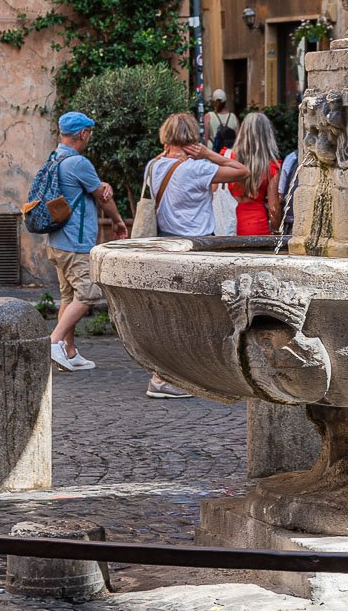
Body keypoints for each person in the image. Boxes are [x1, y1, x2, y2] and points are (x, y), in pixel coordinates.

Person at [144, 111, 249, 398]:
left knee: (171, 311)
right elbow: (241, 171)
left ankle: (168, 374)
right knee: (193, 313)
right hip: (197, 246)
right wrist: (210, 154)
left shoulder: (154, 166)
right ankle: (164, 378)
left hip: (164, 242)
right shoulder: (198, 168)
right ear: (193, 138)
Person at [47, 111, 128, 372]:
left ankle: (69, 353)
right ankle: (53, 342)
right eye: (89, 133)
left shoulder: (55, 158)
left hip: (57, 241)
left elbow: (88, 188)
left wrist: (99, 184)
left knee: (68, 297)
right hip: (75, 242)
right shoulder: (79, 162)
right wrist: (117, 221)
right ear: (82, 133)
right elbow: (103, 197)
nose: (89, 137)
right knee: (89, 294)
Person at [229, 111, 282, 235]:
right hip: (257, 227)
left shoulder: (227, 159)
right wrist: (277, 231)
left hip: (228, 225)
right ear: (267, 135)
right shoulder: (271, 167)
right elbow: (274, 209)